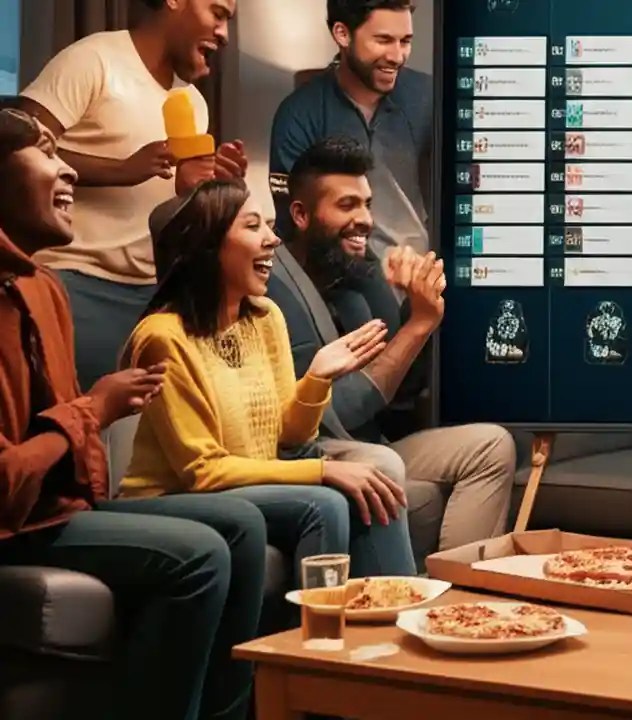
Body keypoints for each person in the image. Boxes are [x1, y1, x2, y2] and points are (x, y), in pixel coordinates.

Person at [0, 108, 265, 720]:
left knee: (241, 526)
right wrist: (95, 408)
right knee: (200, 554)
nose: (68, 168)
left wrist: (91, 417)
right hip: (14, 524)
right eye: (45, 150)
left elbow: (76, 456)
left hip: (58, 511)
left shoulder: (45, 287)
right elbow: (8, 484)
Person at [116, 178, 419, 581]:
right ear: (211, 245)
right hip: (173, 497)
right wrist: (323, 470)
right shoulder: (163, 336)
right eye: (253, 225)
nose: (273, 240)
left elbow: (289, 438)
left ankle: (390, 623)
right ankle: (311, 639)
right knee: (323, 503)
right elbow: (202, 471)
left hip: (246, 487)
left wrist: (317, 377)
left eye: (270, 226)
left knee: (369, 484)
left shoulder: (264, 317)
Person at [269, 137, 516, 561]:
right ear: (301, 214)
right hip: (314, 449)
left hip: (372, 441)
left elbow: (401, 393)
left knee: (491, 445)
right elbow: (334, 415)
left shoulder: (355, 275)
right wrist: (418, 326)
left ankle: (459, 591)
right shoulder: (277, 288)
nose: (365, 219)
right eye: (347, 205)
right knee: (380, 461)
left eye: (367, 204)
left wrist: (410, 305)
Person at [17, 0, 248, 388]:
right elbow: (15, 148)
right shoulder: (94, 61)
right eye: (218, 13)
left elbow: (172, 209)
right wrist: (122, 170)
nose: (224, 34)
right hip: (74, 281)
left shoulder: (192, 102)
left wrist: (203, 189)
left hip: (153, 295)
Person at [269, 0, 430, 257]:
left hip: (421, 278)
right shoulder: (299, 114)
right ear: (342, 34)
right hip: (337, 283)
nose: (397, 56)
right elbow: (293, 227)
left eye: (405, 41)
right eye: (383, 40)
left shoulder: (429, 99)